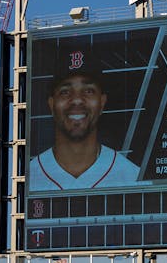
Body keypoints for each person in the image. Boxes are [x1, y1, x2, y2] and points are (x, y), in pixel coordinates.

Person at [29, 42, 143, 190]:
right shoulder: (28, 178)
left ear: (102, 102)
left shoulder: (132, 176)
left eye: (88, 91)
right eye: (65, 91)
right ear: (51, 104)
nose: (77, 100)